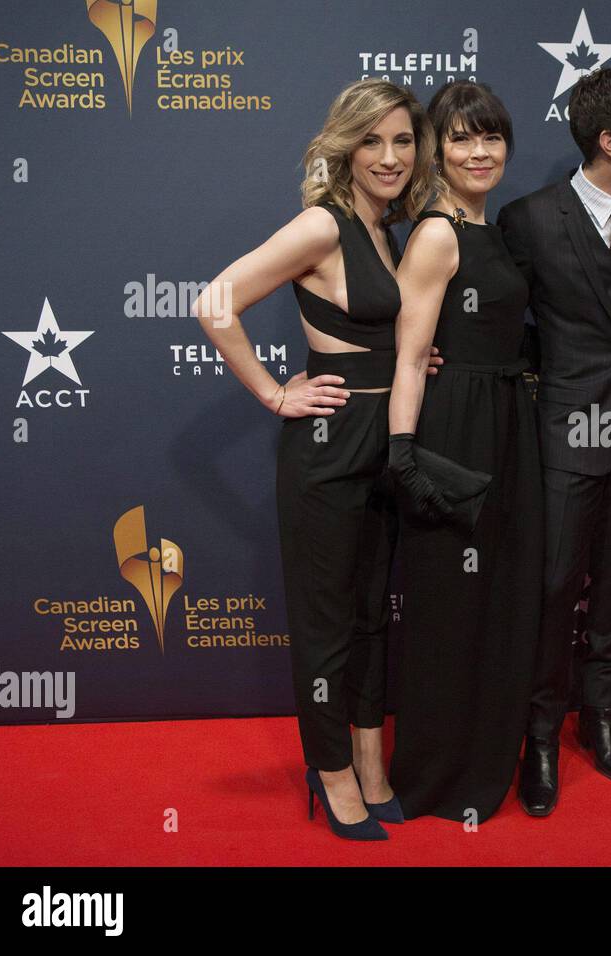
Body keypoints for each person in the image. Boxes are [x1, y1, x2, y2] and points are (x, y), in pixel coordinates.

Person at [194, 79, 439, 840]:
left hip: (385, 441)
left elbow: (375, 333)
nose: (390, 157)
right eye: (373, 141)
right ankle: (330, 770)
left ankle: (370, 760)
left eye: (403, 141)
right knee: (328, 622)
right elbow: (214, 303)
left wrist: (409, 360)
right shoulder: (323, 227)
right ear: (346, 146)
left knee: (371, 615)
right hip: (328, 450)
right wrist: (274, 394)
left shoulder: (385, 229)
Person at [497, 68, 611, 816]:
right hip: (568, 433)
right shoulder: (529, 219)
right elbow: (505, 329)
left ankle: (600, 716)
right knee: (553, 588)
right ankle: (540, 735)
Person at [385, 81, 542, 823]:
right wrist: (405, 454)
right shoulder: (438, 233)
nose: (479, 152)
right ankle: (436, 778)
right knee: (450, 605)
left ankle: (482, 765)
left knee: (498, 601)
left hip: (509, 421)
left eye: (491, 137)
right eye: (460, 138)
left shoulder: (494, 228)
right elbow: (411, 358)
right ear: (436, 150)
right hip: (457, 429)